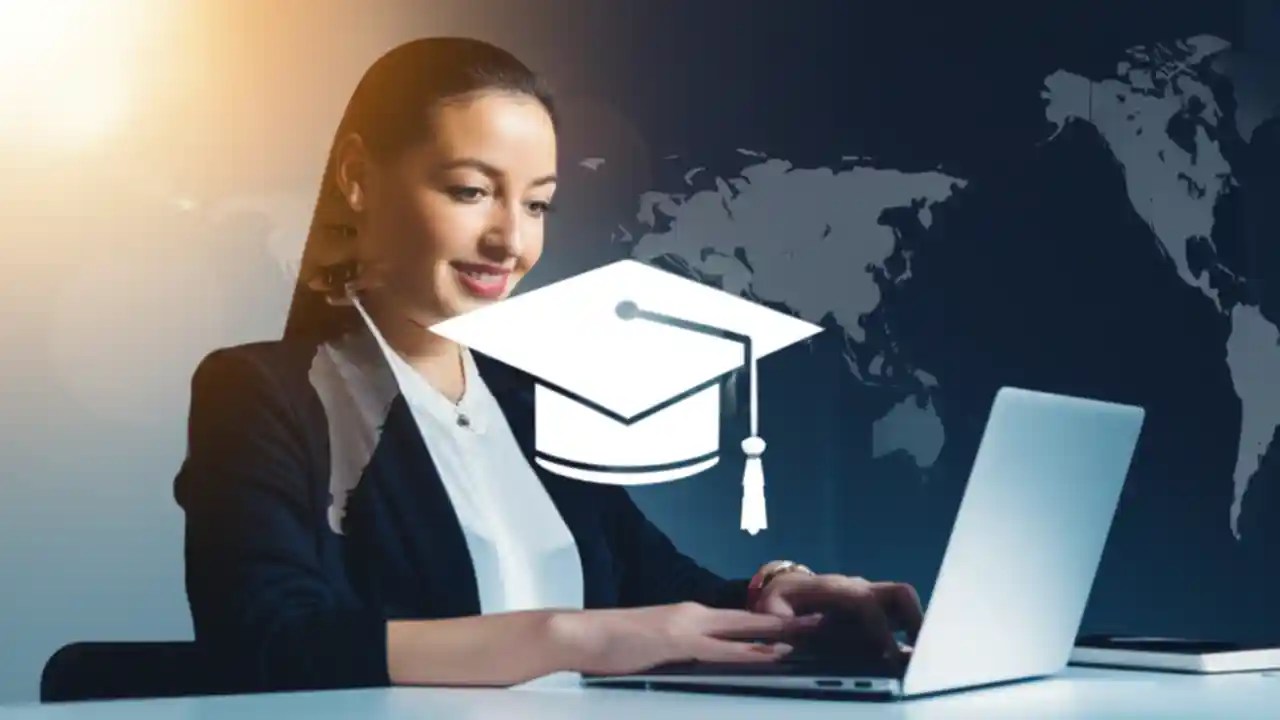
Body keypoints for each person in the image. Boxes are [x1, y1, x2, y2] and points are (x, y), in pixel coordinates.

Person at [174, 36, 922, 693]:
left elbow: (653, 587)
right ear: (358, 177)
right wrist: (569, 637)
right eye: (471, 191)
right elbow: (266, 641)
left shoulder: (531, 396)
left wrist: (777, 596)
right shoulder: (263, 394)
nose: (510, 242)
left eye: (536, 205)